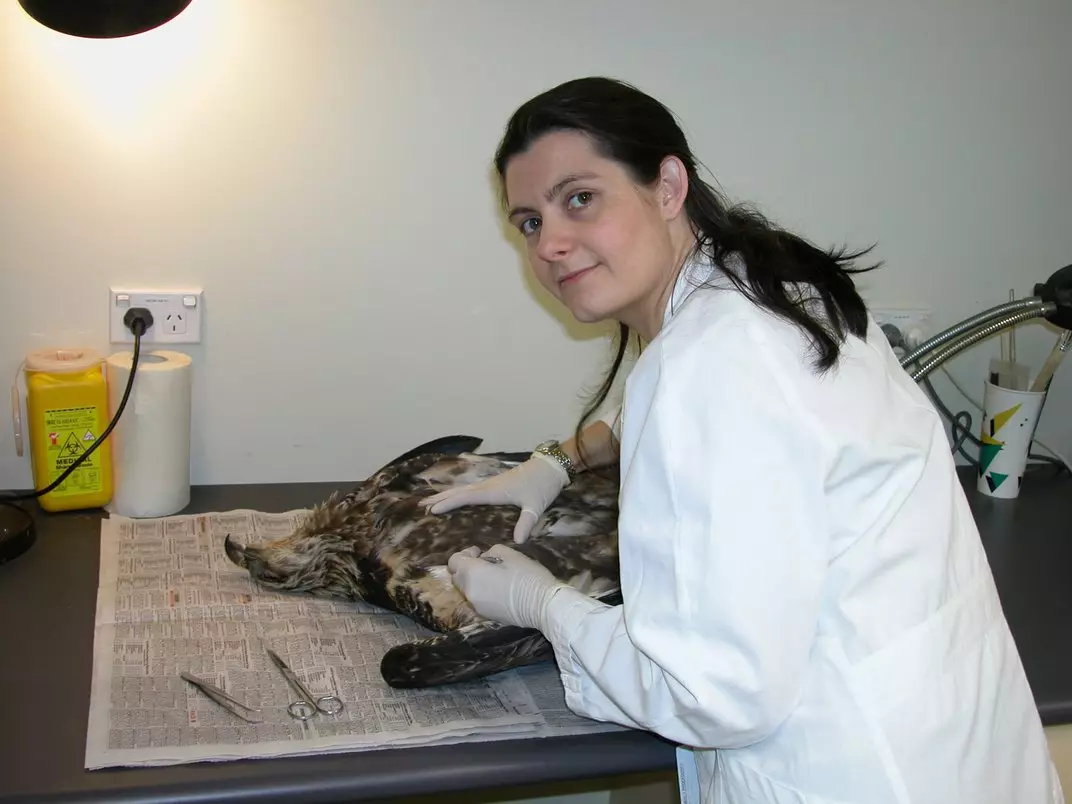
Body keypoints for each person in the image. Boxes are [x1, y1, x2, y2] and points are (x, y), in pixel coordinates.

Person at [420, 76, 1063, 803]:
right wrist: (561, 461)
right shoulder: (769, 287)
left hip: (849, 773)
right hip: (946, 745)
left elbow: (712, 693)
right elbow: (740, 418)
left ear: (666, 185)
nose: (552, 244)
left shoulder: (709, 365)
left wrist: (540, 603)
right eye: (529, 221)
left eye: (579, 199)